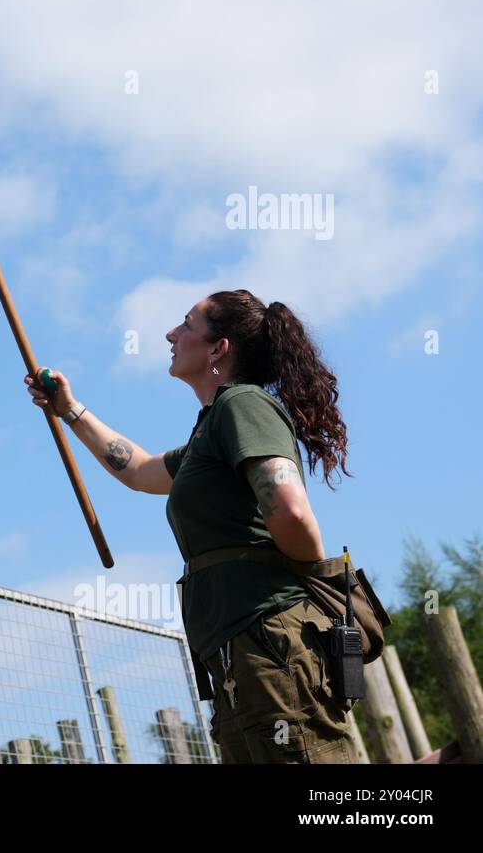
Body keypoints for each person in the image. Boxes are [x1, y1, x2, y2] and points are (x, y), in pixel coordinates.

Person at [25, 289, 358, 763]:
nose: (170, 334)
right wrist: (69, 410)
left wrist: (308, 588)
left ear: (218, 348)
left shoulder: (242, 405)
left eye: (185, 324)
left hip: (272, 644)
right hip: (238, 657)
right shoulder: (209, 432)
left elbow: (291, 509)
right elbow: (139, 470)